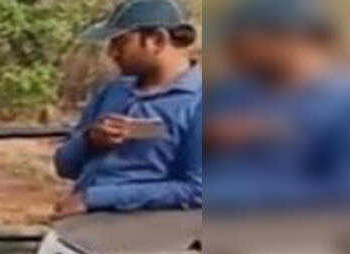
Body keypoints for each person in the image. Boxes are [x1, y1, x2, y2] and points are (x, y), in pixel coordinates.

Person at [53, 0, 202, 217]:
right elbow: (64, 166)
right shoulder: (113, 92)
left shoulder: (202, 103)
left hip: (145, 236)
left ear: (157, 40)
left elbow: (197, 190)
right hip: (81, 227)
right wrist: (89, 140)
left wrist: (95, 198)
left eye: (120, 42)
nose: (112, 53)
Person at [206, 0, 350, 211]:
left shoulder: (340, 103)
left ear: (288, 38)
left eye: (241, 42)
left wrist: (227, 195)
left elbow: (340, 189)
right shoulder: (231, 93)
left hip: (293, 233)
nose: (232, 52)